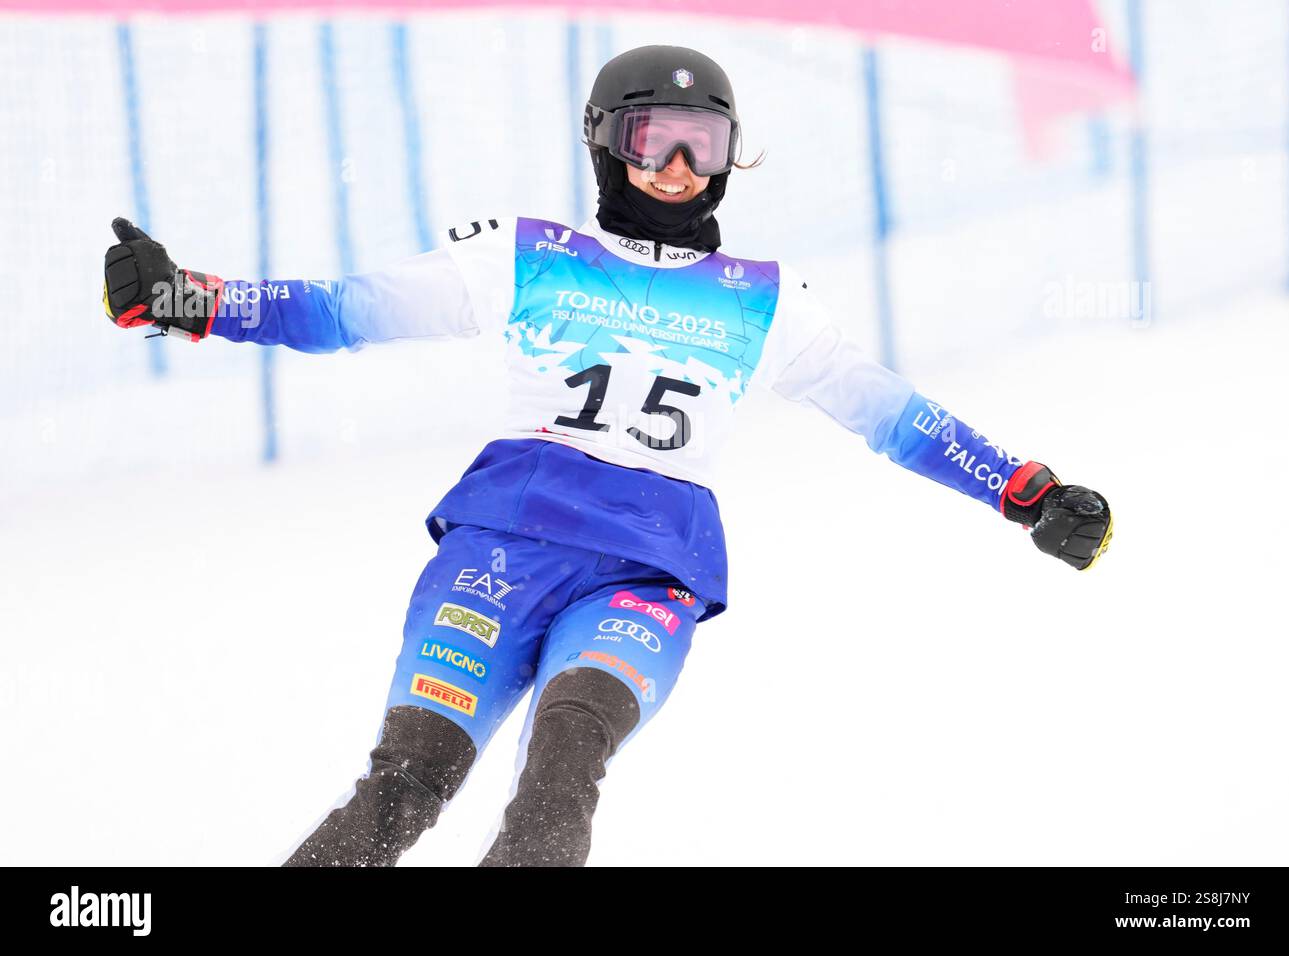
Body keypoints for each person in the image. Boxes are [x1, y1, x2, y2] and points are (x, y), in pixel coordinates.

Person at [100, 45, 1113, 867]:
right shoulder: (526, 256)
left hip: (646, 567)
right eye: (651, 139)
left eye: (702, 142)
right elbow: (338, 312)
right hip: (503, 544)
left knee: (564, 761)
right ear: (604, 146)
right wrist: (193, 297)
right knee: (407, 781)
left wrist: (1021, 489)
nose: (677, 166)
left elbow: (892, 414)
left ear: (727, 156)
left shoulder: (764, 298)